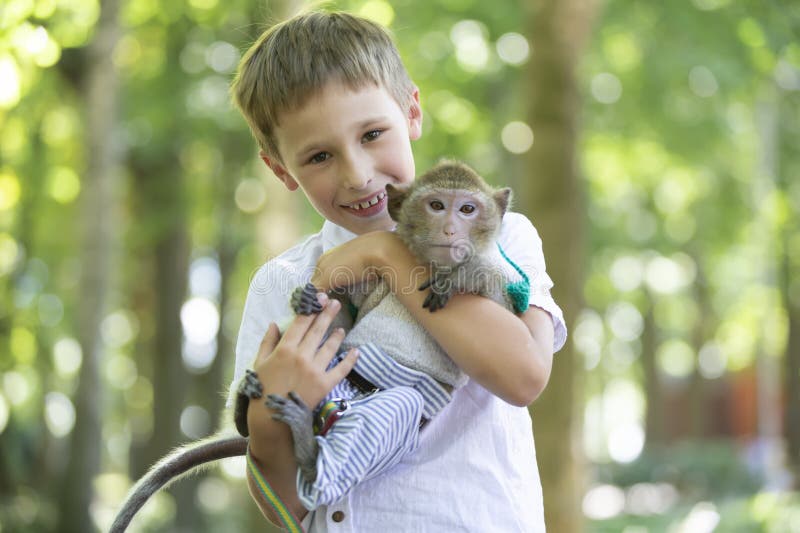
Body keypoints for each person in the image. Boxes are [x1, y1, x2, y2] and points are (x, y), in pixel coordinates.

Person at [227, 10, 567, 532]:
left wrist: (383, 255)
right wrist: (271, 416)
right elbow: (284, 510)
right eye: (319, 156)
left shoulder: (498, 234)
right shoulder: (283, 282)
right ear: (279, 169)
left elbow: (523, 375)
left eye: (372, 134)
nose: (358, 176)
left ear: (411, 112)